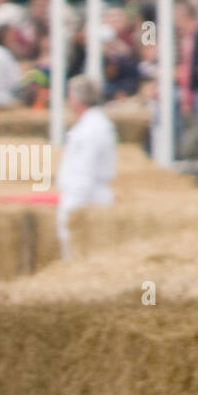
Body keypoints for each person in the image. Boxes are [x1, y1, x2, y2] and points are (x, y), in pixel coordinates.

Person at [56, 75, 117, 259]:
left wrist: (72, 208)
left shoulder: (91, 129)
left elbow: (84, 171)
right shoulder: (95, 124)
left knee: (76, 254)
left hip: (86, 198)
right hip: (88, 195)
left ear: (76, 99)